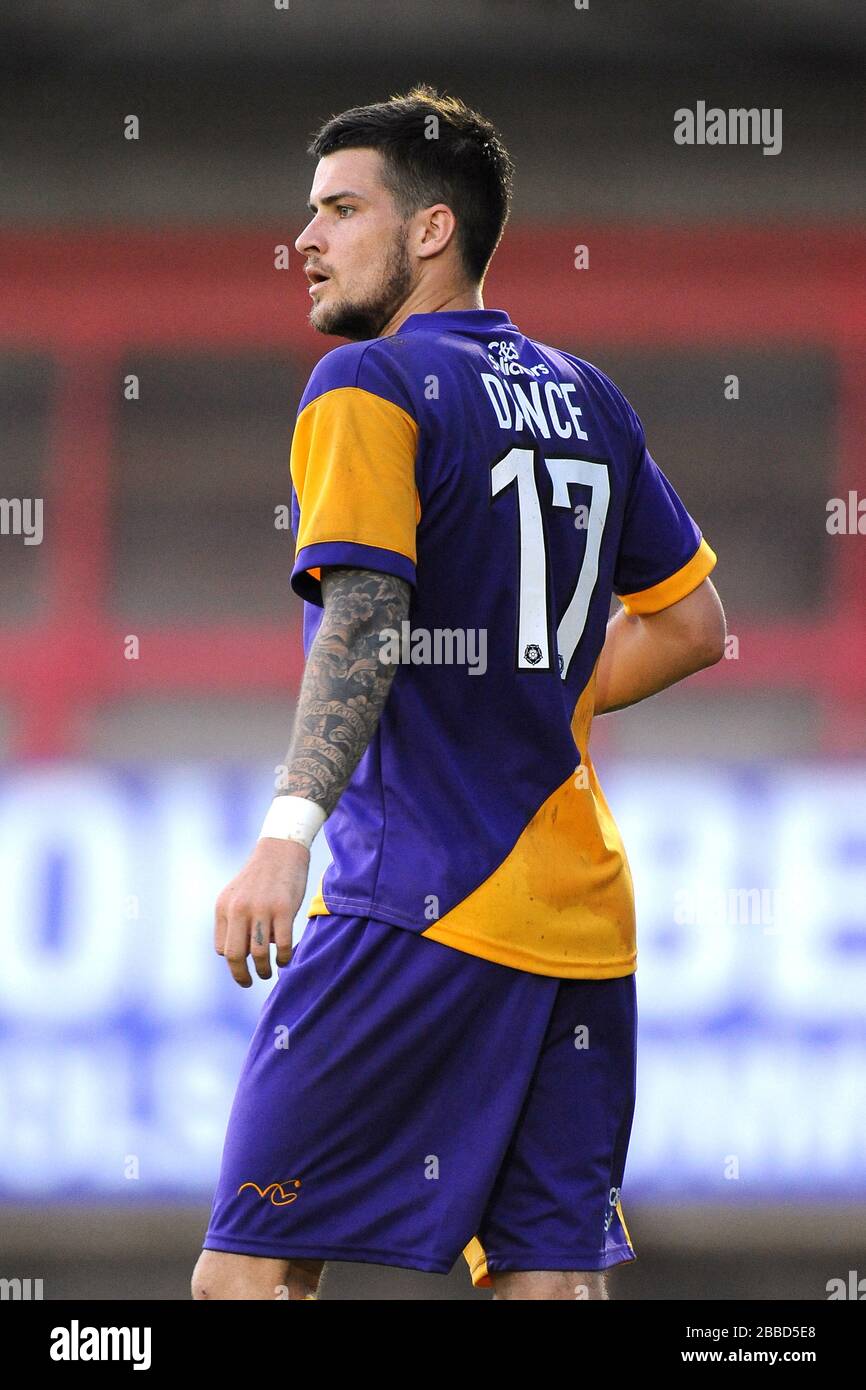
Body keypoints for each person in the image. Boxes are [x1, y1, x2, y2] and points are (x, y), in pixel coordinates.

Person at [192, 84, 725, 1302]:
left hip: (413, 898)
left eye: (338, 209)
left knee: (247, 1280)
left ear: (430, 231)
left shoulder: (364, 386)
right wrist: (548, 699)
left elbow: (364, 623)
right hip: (582, 922)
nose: (305, 241)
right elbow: (693, 624)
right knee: (548, 1287)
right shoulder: (590, 397)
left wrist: (284, 837)